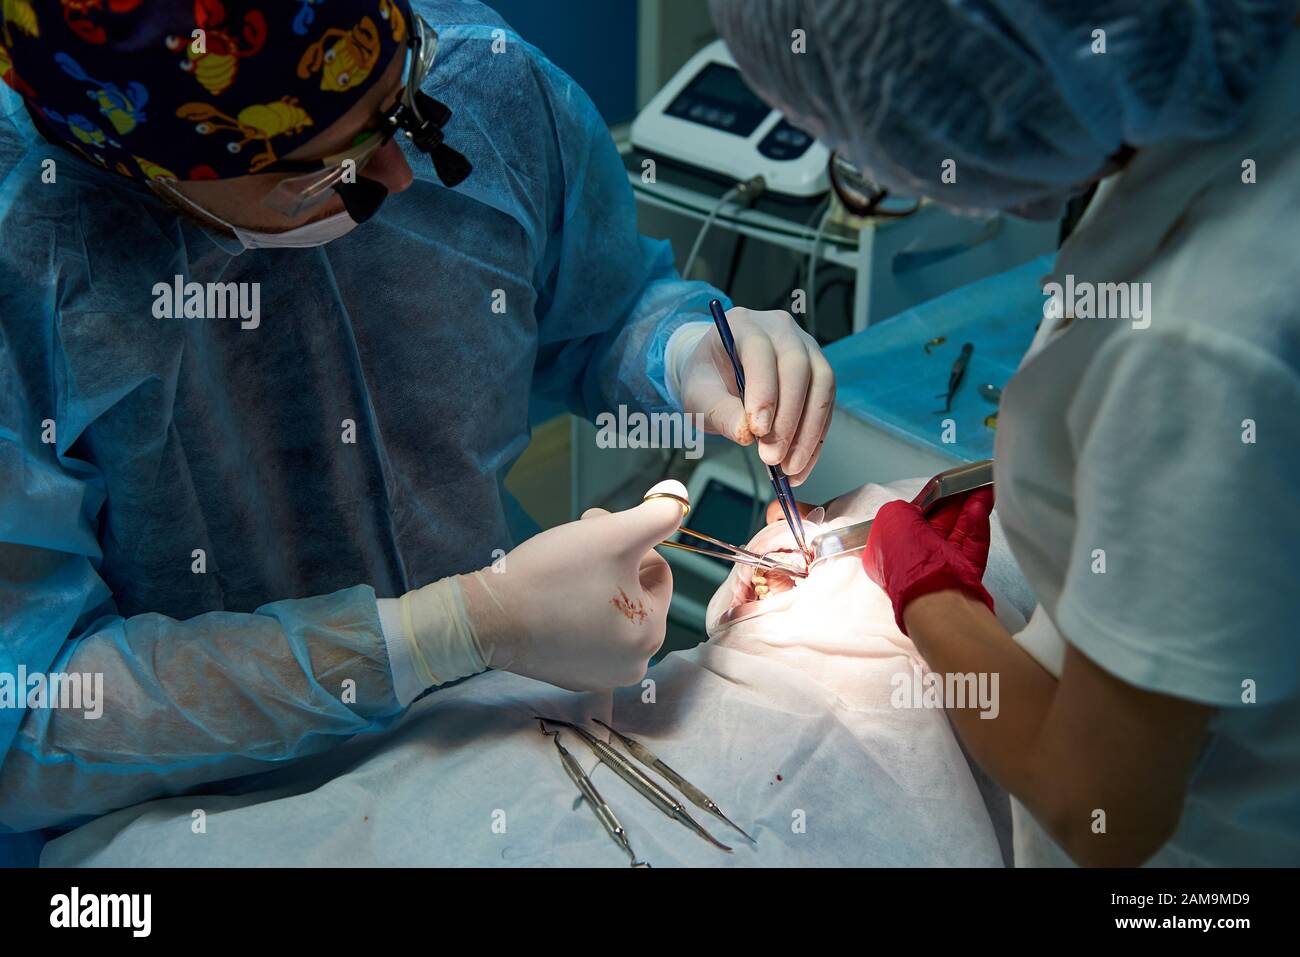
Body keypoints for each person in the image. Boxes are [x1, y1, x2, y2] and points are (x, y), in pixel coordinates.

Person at [0, 0, 834, 835]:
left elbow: (599, 311)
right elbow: (32, 718)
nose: (401, 175)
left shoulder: (481, 77)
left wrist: (684, 352)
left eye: (402, 110)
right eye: (329, 174)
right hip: (207, 809)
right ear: (152, 171)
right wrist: (445, 630)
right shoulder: (28, 254)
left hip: (500, 720)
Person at [712, 0, 1300, 866]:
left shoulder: (1196, 341)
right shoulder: (1225, 106)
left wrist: (926, 593)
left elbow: (1100, 805)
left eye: (871, 148)